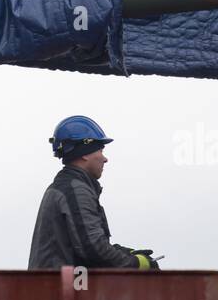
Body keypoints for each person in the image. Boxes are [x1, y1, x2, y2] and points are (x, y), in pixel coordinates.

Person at [28, 115, 158, 269]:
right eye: (100, 150)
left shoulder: (66, 187)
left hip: (58, 286)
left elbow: (87, 244)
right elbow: (94, 250)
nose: (105, 159)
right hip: (61, 289)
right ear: (84, 153)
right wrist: (137, 263)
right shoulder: (75, 190)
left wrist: (124, 253)